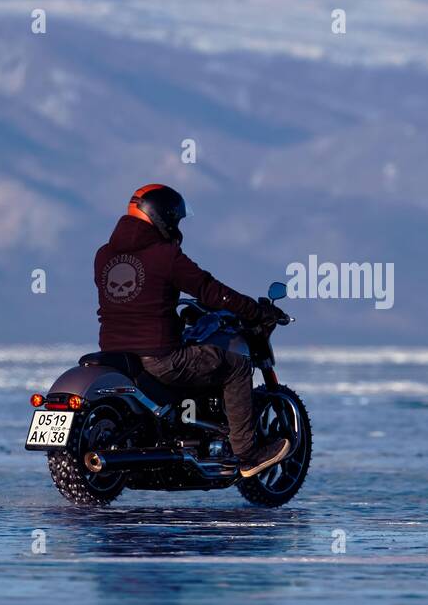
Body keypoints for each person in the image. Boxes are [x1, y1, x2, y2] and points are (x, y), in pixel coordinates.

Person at [94, 183, 290, 477]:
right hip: (160, 358)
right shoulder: (164, 256)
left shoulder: (104, 256)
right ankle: (248, 455)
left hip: (115, 355)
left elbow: (139, 299)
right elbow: (211, 290)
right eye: (175, 218)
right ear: (162, 217)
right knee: (235, 366)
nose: (177, 225)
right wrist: (256, 310)